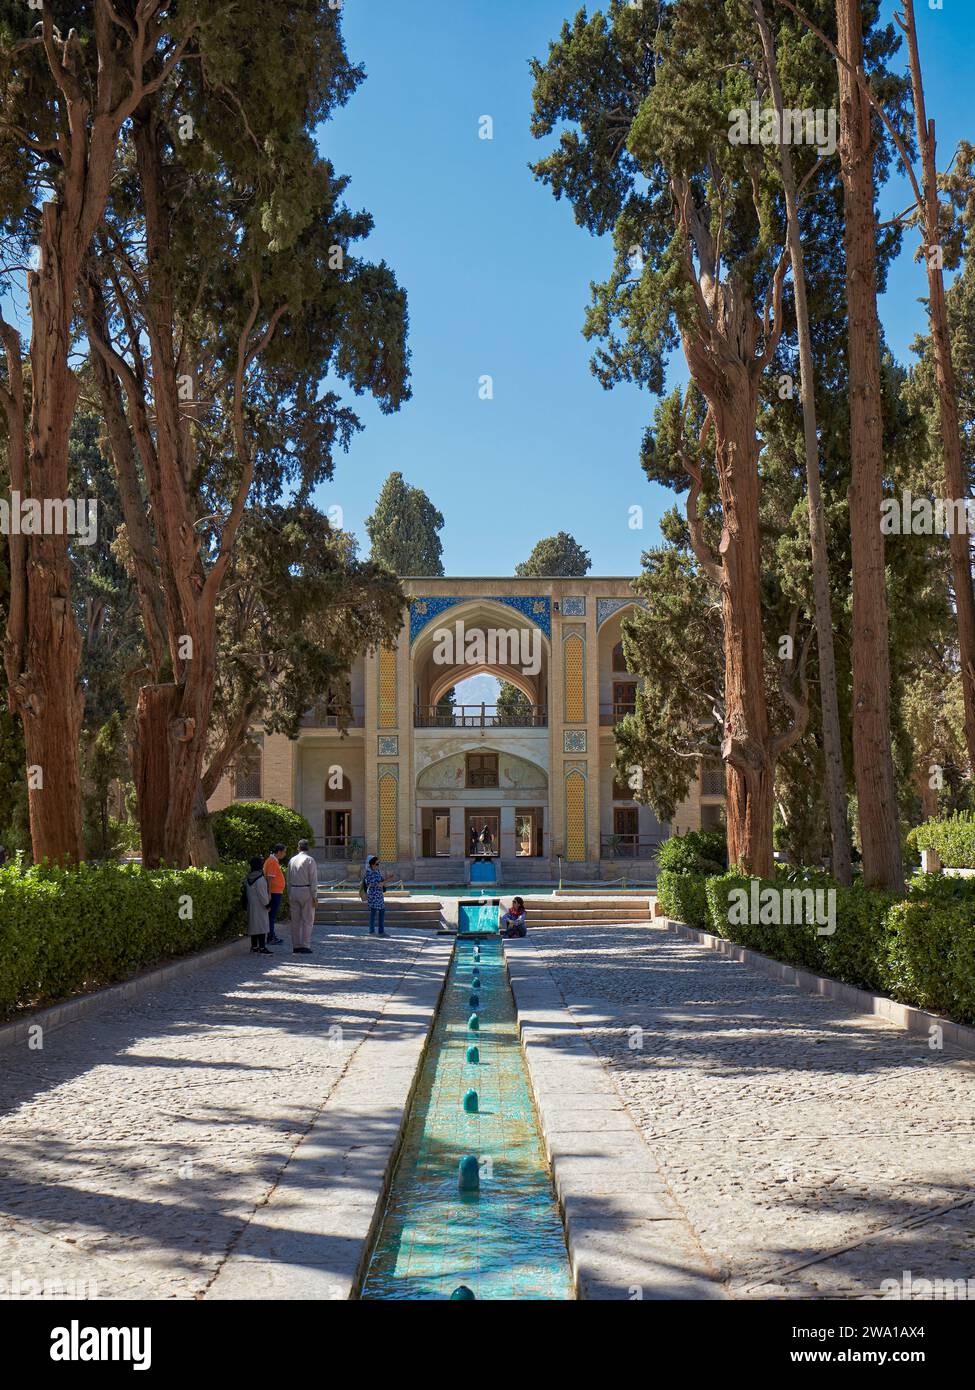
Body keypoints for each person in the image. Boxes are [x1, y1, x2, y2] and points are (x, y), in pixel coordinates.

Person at [287, 839, 318, 955]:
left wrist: (289, 893)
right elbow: (313, 879)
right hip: (306, 890)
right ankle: (305, 945)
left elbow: (288, 879)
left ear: (298, 848)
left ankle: (296, 945)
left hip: (293, 890)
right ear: (308, 848)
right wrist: (314, 895)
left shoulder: (292, 860)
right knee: (307, 919)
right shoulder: (310, 860)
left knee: (295, 920)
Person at [245, 856, 272, 954]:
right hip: (260, 906)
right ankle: (262, 947)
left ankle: (254, 946)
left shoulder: (248, 877)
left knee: (253, 926)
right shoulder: (260, 879)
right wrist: (267, 905)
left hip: (251, 905)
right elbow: (262, 894)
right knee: (262, 927)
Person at [263, 843, 287, 944]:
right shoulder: (272, 861)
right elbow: (269, 878)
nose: (285, 854)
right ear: (279, 852)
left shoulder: (273, 860)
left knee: (271, 916)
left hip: (275, 891)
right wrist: (269, 893)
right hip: (274, 892)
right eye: (284, 851)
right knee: (271, 916)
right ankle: (270, 936)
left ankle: (271, 935)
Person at [363, 854, 387, 936]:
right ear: (372, 864)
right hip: (373, 895)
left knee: (382, 911)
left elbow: (380, 881)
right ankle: (371, 931)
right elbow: (371, 883)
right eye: (376, 864)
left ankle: (381, 931)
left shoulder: (378, 871)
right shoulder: (368, 873)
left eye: (378, 863)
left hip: (379, 895)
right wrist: (380, 883)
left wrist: (384, 882)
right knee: (373, 913)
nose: (378, 865)